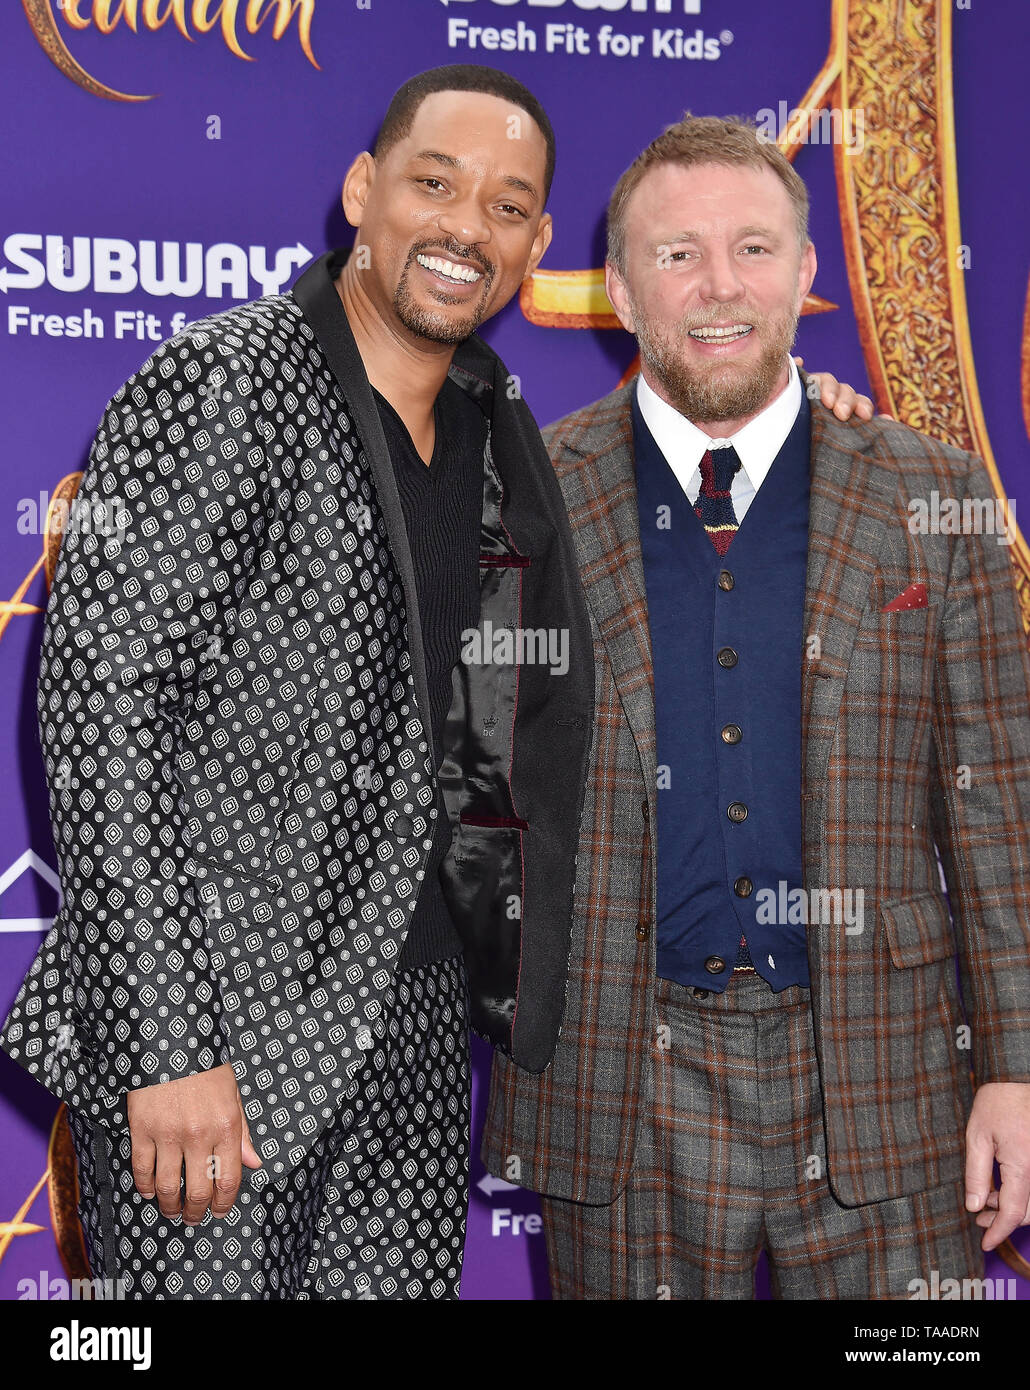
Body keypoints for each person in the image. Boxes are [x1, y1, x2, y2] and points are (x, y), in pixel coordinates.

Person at [1, 70, 868, 1301]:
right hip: (219, 1045)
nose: (468, 225)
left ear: (532, 249)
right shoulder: (221, 383)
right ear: (363, 192)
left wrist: (814, 418)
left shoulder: (497, 429)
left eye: (509, 206)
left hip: (413, 1038)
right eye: (434, 183)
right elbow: (101, 718)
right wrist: (165, 1048)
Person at [484, 113, 1030, 1300]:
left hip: (888, 1080)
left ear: (805, 273)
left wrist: (1018, 1066)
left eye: (752, 249)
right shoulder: (522, 493)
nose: (718, 286)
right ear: (620, 290)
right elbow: (466, 780)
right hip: (621, 1085)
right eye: (676, 255)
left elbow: (999, 803)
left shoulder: (931, 492)